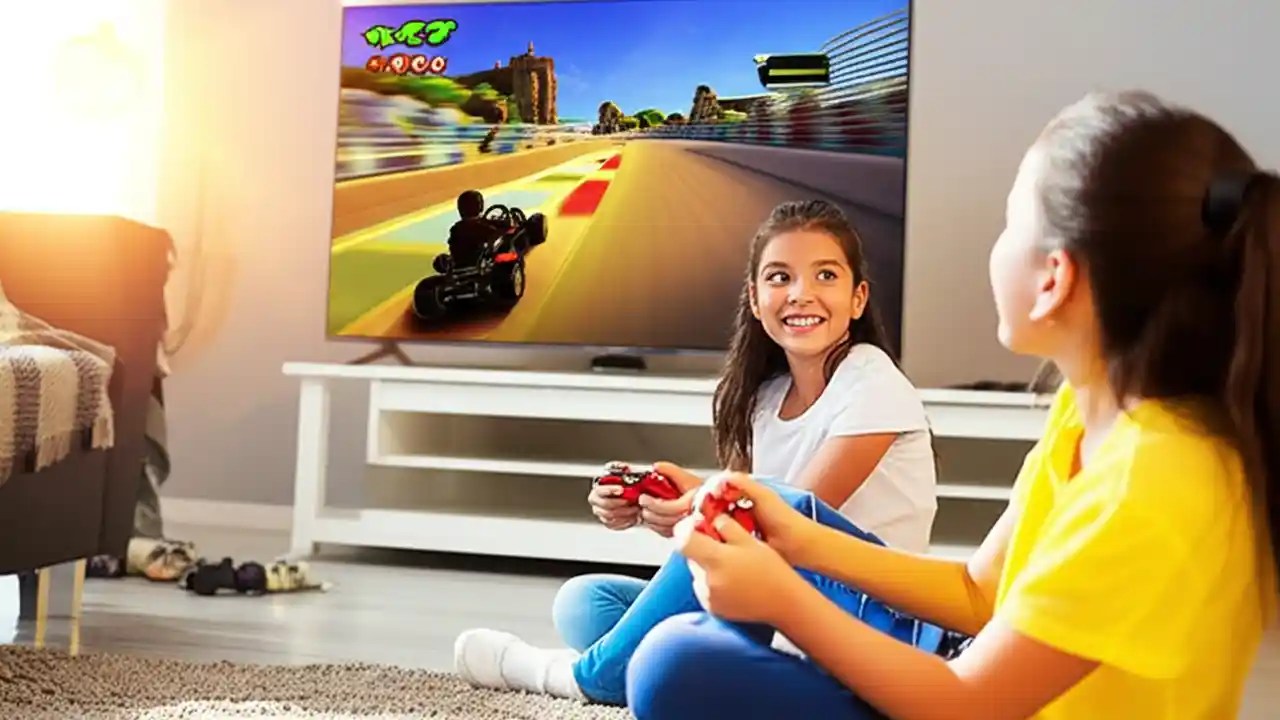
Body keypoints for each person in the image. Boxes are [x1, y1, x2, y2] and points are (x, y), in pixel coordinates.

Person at [627, 90, 1280, 720]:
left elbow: (968, 705)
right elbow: (979, 593)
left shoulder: (1156, 479)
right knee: (772, 535)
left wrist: (787, 600)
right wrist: (802, 543)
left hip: (970, 702)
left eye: (1009, 224)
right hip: (972, 673)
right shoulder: (1088, 413)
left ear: (1054, 280)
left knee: (674, 663)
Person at [453, 199, 942, 704]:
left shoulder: (872, 379)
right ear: (754, 299)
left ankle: (580, 678)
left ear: (858, 298)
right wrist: (659, 504)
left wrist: (702, 506)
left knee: (723, 533)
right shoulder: (767, 396)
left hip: (868, 621)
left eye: (825, 276)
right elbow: (750, 521)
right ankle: (660, 661)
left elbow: (792, 518)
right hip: (786, 609)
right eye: (779, 278)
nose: (801, 294)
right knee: (584, 600)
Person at [447, 189, 499, 267]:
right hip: (480, 267)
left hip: (459, 266)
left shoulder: (455, 229)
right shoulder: (486, 229)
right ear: (480, 207)